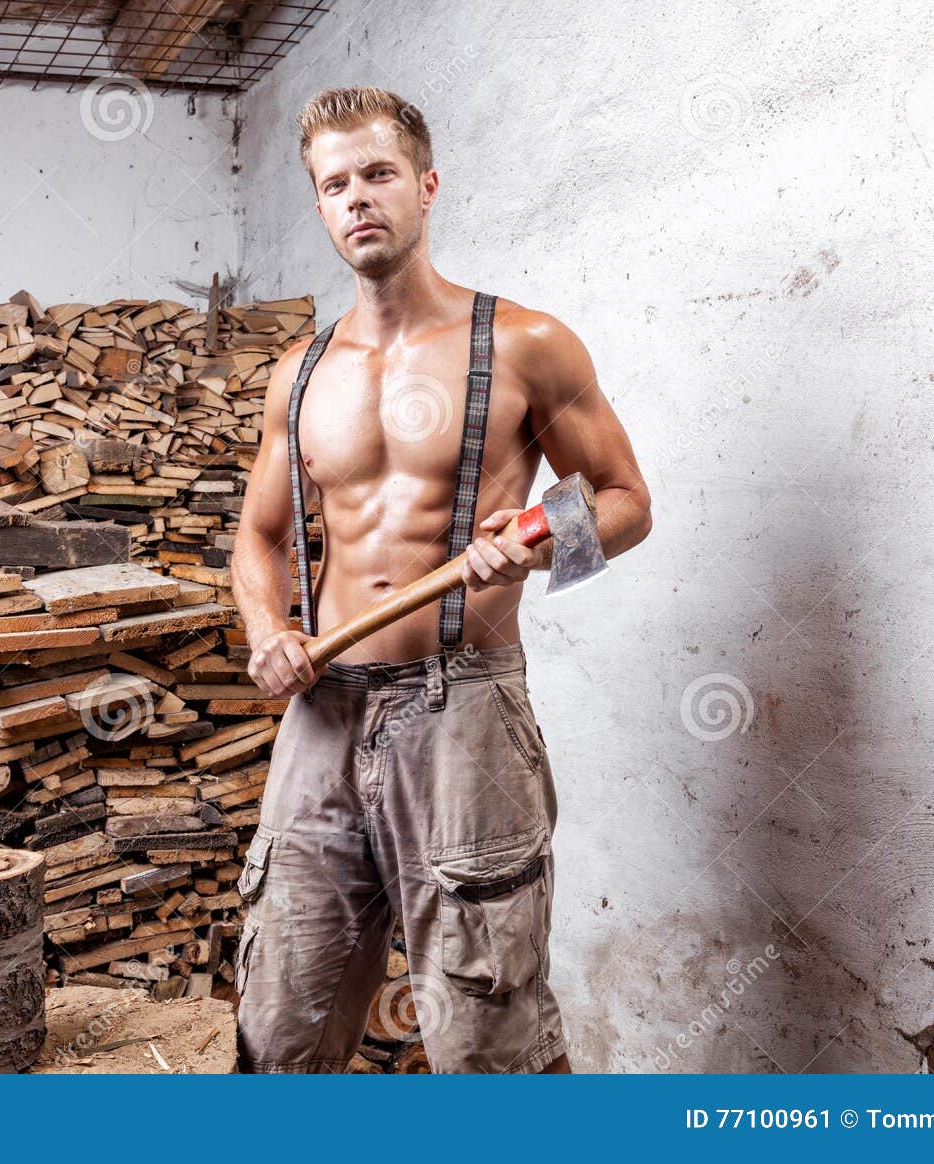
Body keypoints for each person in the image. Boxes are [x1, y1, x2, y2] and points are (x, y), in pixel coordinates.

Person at [229, 86, 653, 1073]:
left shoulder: (523, 343)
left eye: (376, 174)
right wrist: (265, 633)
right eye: (334, 185)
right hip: (321, 716)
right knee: (279, 1026)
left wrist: (542, 540)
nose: (356, 199)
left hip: (461, 710)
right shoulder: (297, 374)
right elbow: (256, 540)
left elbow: (628, 502)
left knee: (483, 1032)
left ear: (424, 186)